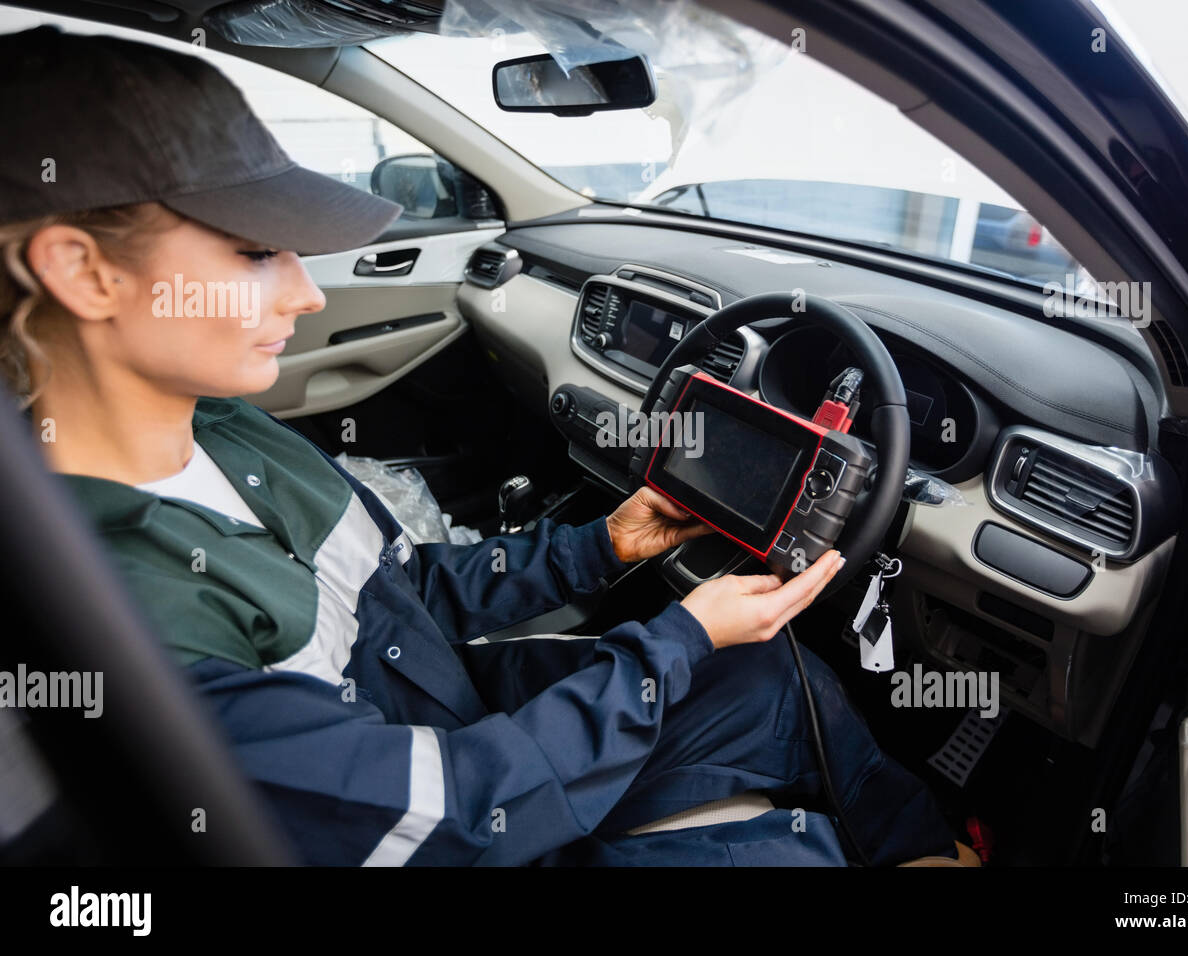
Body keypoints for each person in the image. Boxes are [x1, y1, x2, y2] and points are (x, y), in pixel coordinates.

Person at [0, 25, 960, 865]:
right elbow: (450, 814)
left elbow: (403, 587)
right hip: (446, 814)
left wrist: (601, 545)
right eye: (256, 252)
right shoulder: (118, 618)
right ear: (82, 270)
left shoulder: (222, 424)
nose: (306, 294)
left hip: (446, 710)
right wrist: (678, 634)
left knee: (761, 670)